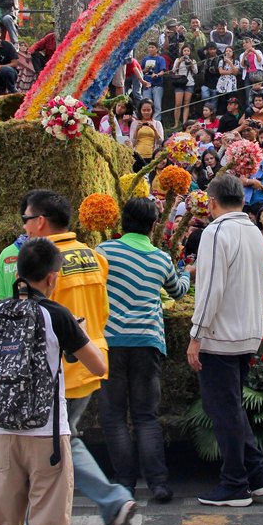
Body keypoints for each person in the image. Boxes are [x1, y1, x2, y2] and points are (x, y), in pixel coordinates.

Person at [0, 191, 136, 525]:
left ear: (40, 221)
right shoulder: (93, 255)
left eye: (27, 220)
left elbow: (30, 319)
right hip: (91, 359)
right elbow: (102, 310)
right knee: (63, 438)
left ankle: (110, 501)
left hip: (57, 370)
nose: (25, 227)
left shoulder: (45, 264)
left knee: (52, 445)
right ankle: (110, 502)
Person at [0, 236, 107, 525]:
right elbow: (97, 366)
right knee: (48, 523)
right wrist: (80, 332)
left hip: (1, 433)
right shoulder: (56, 315)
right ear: (52, 277)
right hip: (47, 434)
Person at [185, 175, 263, 507]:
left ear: (211, 202)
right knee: (230, 408)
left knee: (222, 410)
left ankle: (235, 483)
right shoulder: (253, 231)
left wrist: (196, 334)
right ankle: (258, 473)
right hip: (246, 332)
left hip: (220, 335)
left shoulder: (216, 231)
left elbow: (210, 289)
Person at [96, 199, 190, 503]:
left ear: (123, 222)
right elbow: (179, 291)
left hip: (110, 342)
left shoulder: (104, 252)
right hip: (147, 341)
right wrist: (188, 271)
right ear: (153, 226)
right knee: (146, 416)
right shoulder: (160, 259)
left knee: (112, 416)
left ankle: (124, 484)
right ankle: (158, 483)